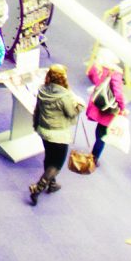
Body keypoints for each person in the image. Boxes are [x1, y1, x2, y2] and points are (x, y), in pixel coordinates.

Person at [29, 64, 81, 204]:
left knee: (49, 157)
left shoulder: (42, 91)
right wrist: (78, 108)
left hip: (44, 131)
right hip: (59, 134)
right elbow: (70, 113)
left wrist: (36, 125)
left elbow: (37, 110)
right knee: (57, 164)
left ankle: (52, 184)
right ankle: (38, 188)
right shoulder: (65, 96)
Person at [85, 50, 128, 168]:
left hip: (97, 102)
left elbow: (90, 76)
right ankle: (94, 157)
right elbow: (118, 93)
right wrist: (122, 108)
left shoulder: (96, 67)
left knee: (99, 130)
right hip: (107, 107)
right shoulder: (115, 73)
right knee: (102, 134)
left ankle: (95, 152)